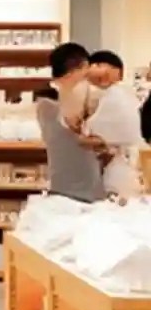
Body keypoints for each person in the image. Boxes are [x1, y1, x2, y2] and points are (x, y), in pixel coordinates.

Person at [39, 43, 105, 203]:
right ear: (82, 66)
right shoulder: (70, 96)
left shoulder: (44, 102)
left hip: (61, 188)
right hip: (81, 193)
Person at [85, 50, 143, 199]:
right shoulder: (120, 94)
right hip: (124, 165)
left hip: (119, 167)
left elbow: (94, 132)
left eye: (97, 65)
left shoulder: (115, 96)